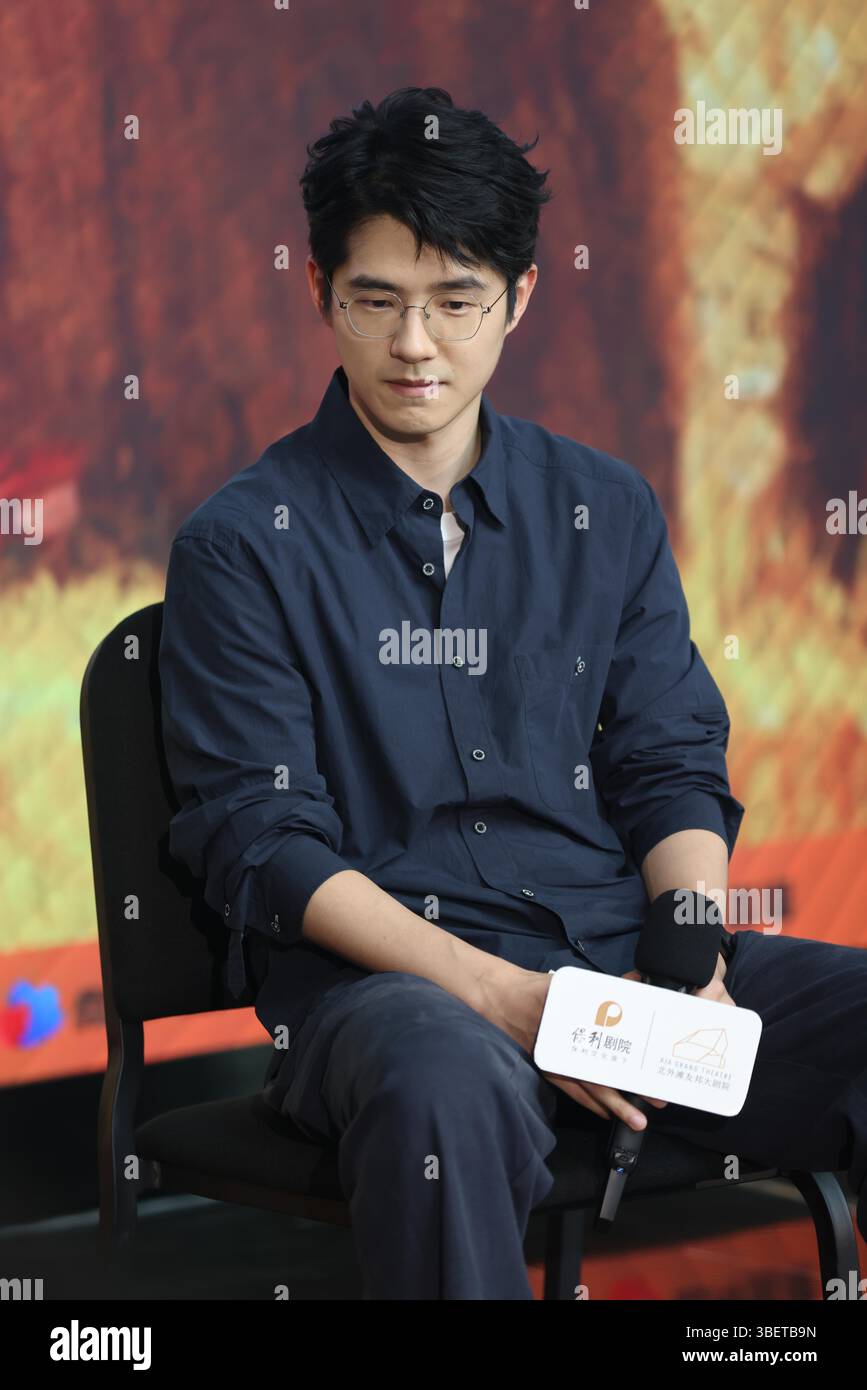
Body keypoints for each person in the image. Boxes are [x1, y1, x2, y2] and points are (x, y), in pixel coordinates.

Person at [158, 87, 867, 1299]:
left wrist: (687, 956)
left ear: (520, 298)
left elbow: (670, 755)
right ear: (320, 292)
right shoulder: (244, 545)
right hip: (391, 1006)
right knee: (444, 1076)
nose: (416, 345)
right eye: (376, 300)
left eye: (456, 302)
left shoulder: (606, 507)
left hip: (612, 974)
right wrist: (508, 999)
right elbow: (262, 841)